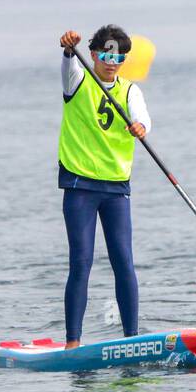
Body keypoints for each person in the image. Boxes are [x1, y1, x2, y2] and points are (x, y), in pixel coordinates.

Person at [56, 25, 151, 347]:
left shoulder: (130, 91)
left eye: (119, 58)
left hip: (115, 188)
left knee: (123, 261)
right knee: (81, 262)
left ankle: (131, 339)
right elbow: (69, 66)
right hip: (80, 185)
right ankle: (73, 342)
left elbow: (143, 119)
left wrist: (140, 126)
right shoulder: (79, 80)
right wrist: (69, 50)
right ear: (94, 55)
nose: (112, 62)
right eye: (106, 55)